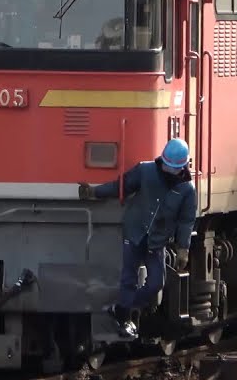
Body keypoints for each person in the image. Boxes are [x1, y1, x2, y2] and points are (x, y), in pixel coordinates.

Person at [79, 138, 197, 339]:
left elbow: (186, 220)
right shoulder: (145, 170)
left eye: (174, 168)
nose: (169, 171)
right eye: (167, 166)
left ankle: (122, 308)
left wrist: (183, 248)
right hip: (134, 233)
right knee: (128, 278)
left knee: (155, 283)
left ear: (183, 166)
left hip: (157, 241)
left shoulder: (187, 189)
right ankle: (124, 317)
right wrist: (94, 192)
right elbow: (121, 187)